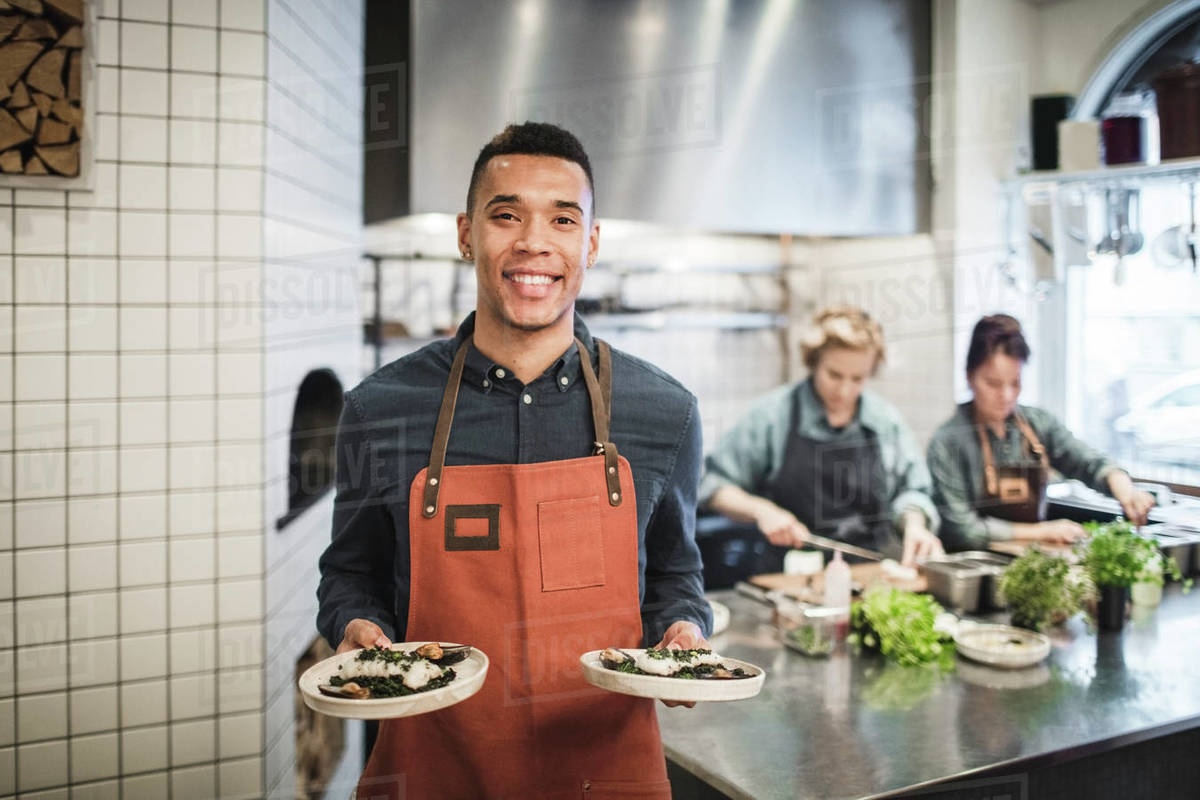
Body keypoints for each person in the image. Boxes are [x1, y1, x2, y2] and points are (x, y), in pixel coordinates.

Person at [316, 122, 710, 799]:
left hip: (605, 778)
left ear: (589, 241)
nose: (534, 242)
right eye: (507, 215)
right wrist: (357, 627)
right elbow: (349, 575)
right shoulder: (378, 411)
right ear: (467, 233)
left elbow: (676, 573)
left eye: (562, 218)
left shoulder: (664, 413)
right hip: (432, 777)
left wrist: (684, 629)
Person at [701, 305, 943, 570]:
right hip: (787, 576)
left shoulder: (884, 421)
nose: (844, 390)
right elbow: (714, 486)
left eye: (858, 378)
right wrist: (762, 511)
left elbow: (913, 490)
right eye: (834, 375)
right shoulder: (772, 416)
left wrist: (915, 525)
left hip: (865, 574)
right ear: (814, 361)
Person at [926, 314, 1155, 551]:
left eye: (1015, 383)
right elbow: (961, 529)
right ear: (969, 376)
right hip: (973, 572)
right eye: (993, 384)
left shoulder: (1037, 424)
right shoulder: (948, 442)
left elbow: (1088, 462)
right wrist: (1042, 532)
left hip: (1033, 563)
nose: (1006, 396)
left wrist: (1126, 491)